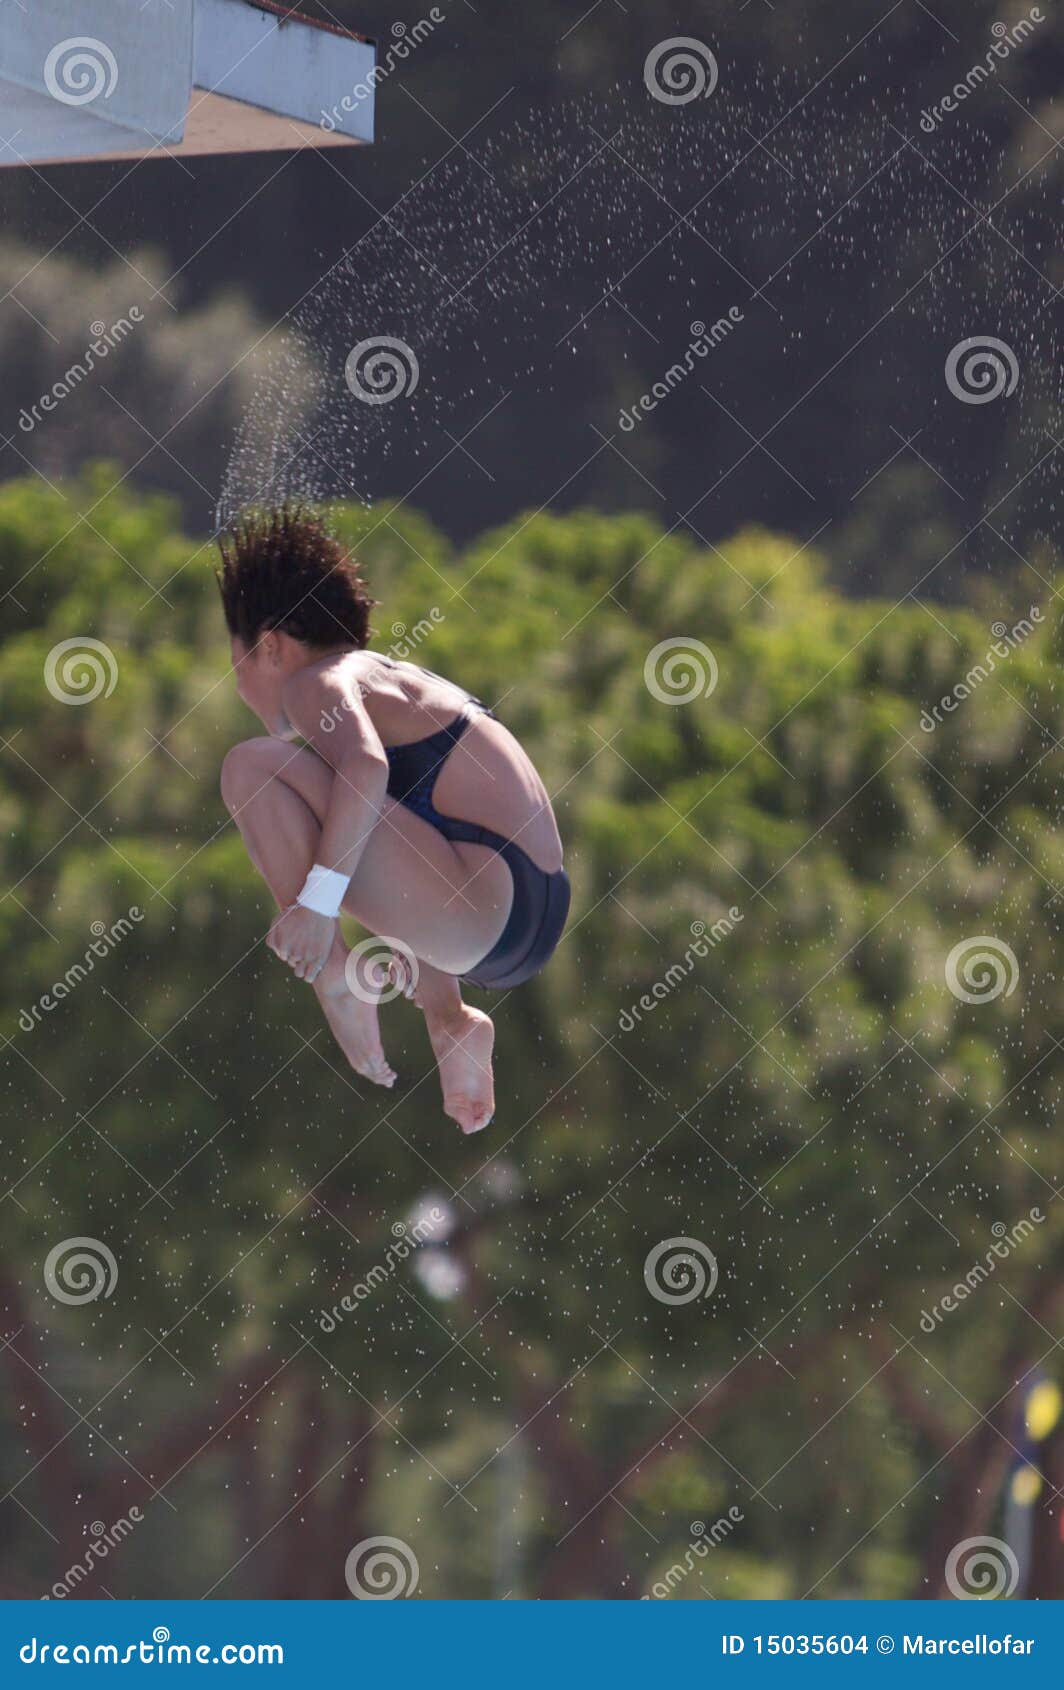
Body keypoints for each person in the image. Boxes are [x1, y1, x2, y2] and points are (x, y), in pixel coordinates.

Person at [215, 503, 571, 1135]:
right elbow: (407, 821)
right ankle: (448, 1019)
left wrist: (318, 908)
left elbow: (368, 770)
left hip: (483, 910)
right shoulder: (383, 679)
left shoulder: (315, 684)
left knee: (252, 770)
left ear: (269, 645)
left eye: (237, 659)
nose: (239, 683)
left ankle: (332, 972)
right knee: (350, 817)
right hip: (520, 909)